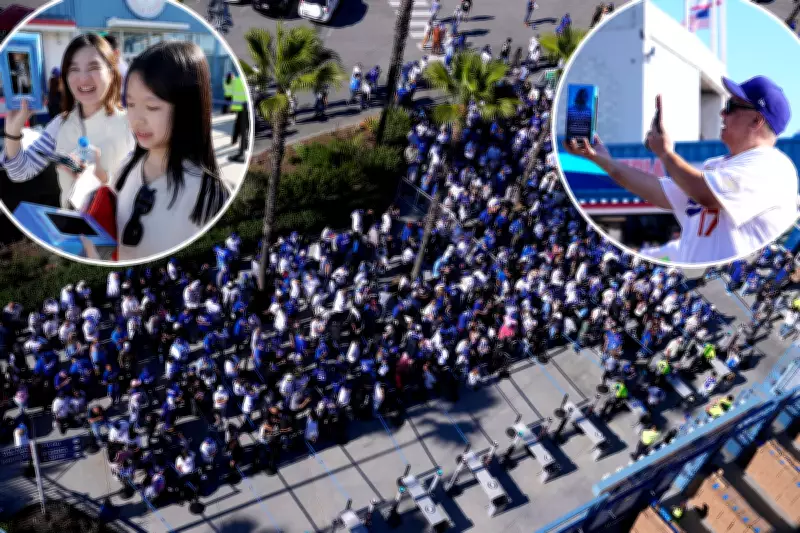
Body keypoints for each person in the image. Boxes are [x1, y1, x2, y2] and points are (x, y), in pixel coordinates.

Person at [563, 77, 796, 265]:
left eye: (731, 106)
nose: (722, 114)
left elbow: (706, 195)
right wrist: (602, 160)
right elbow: (657, 191)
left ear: (756, 121)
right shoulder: (716, 165)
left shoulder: (772, 166)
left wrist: (666, 154)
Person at [101, 41, 231, 261]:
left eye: (151, 107)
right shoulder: (127, 166)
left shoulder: (208, 194)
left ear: (187, 108)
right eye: (130, 104)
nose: (137, 118)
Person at [1, 33, 134, 209]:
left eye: (93, 67)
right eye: (74, 69)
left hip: (115, 232)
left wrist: (98, 176)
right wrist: (13, 131)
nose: (83, 78)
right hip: (70, 230)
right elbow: (20, 172)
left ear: (111, 72)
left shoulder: (131, 123)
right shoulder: (60, 124)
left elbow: (144, 190)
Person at [228, 73, 249, 163]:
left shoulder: (236, 80)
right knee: (243, 129)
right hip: (244, 108)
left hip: (242, 109)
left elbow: (229, 87)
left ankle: (242, 153)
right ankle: (243, 149)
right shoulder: (243, 80)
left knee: (242, 129)